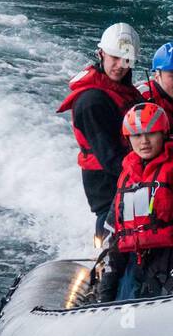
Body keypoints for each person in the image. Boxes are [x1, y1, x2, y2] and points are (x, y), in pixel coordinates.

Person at [99, 103, 173, 301]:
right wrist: (106, 289)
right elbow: (113, 235)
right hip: (137, 263)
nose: (144, 142)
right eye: (136, 135)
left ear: (164, 133)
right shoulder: (127, 176)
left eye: (151, 134)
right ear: (128, 139)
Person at [56, 23, 143, 241]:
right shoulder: (92, 102)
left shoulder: (126, 93)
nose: (119, 65)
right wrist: (149, 176)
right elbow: (110, 158)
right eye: (114, 57)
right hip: (109, 190)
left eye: (125, 59)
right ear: (101, 54)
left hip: (131, 184)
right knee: (111, 241)